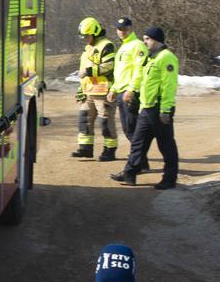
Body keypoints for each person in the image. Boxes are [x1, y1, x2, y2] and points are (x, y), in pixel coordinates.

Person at [110, 26, 179, 188]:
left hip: (159, 109)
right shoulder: (151, 57)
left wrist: (165, 110)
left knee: (166, 145)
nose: (144, 41)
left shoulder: (166, 58)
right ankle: (130, 173)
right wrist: (133, 92)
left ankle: (169, 179)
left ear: (156, 40)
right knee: (138, 142)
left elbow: (169, 86)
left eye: (147, 39)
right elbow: (141, 77)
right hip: (147, 108)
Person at [73, 17, 118, 161]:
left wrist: (89, 71)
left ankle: (109, 150)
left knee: (105, 122)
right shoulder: (88, 48)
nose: (85, 39)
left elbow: (109, 66)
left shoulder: (107, 45)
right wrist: (81, 88)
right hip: (89, 92)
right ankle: (85, 148)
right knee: (84, 119)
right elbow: (82, 70)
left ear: (95, 33)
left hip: (104, 92)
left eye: (87, 36)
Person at [109, 17, 149, 173]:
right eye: (119, 29)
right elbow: (120, 73)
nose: (122, 32)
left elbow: (140, 70)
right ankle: (141, 162)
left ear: (131, 28)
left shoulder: (137, 45)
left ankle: (138, 163)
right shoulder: (123, 47)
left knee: (132, 129)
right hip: (121, 91)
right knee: (128, 129)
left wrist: (132, 90)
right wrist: (113, 89)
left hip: (130, 93)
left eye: (125, 29)